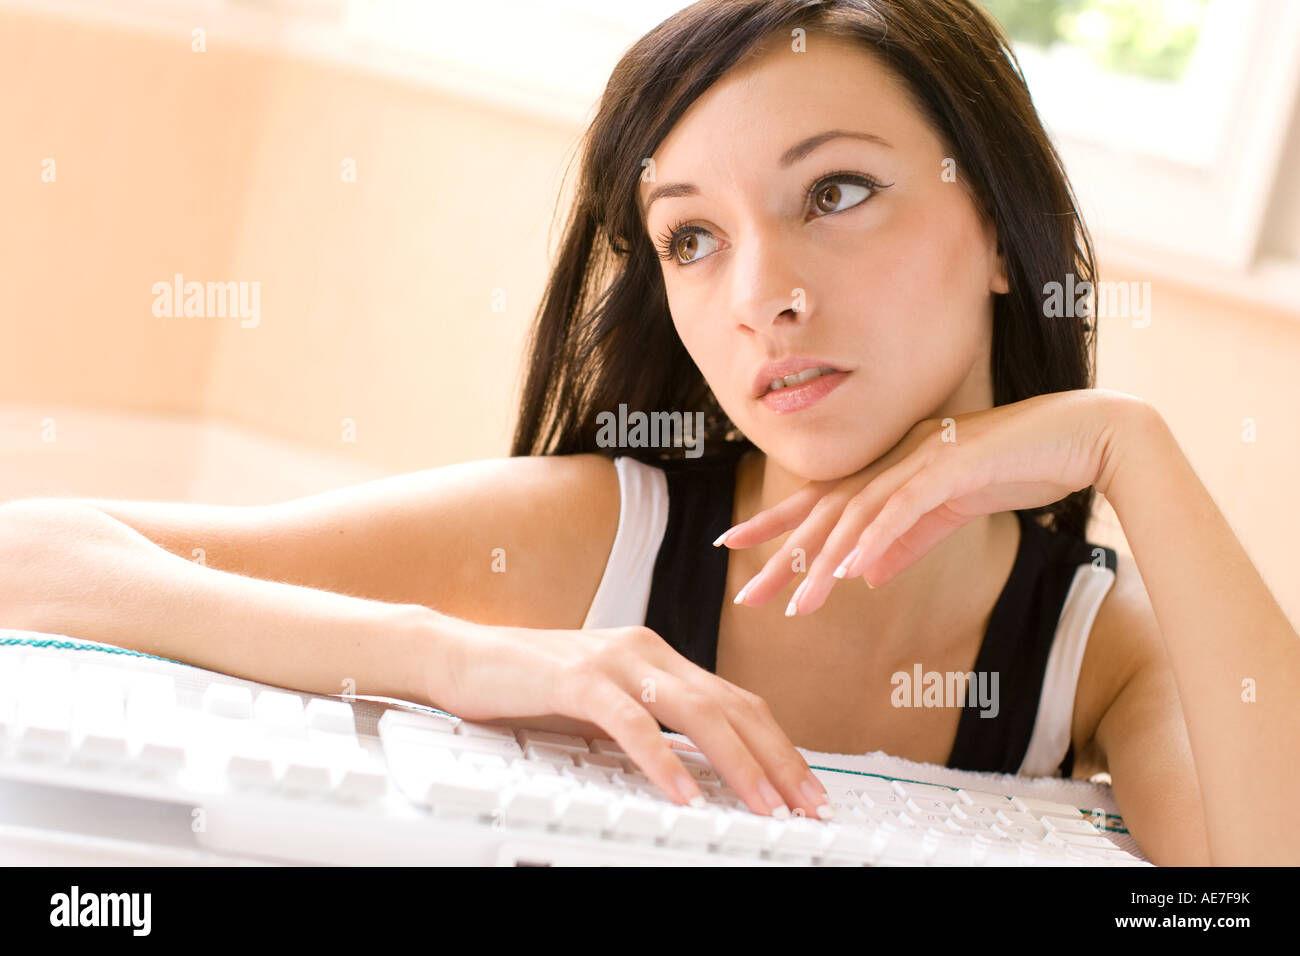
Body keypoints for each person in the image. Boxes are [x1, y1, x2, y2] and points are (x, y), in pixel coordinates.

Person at [2, 0, 1297, 866]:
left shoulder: (1093, 650)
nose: (761, 300)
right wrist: (447, 659)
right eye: (693, 236)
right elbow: (34, 555)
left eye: (835, 192)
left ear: (1004, 238)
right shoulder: (601, 532)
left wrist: (1134, 445)